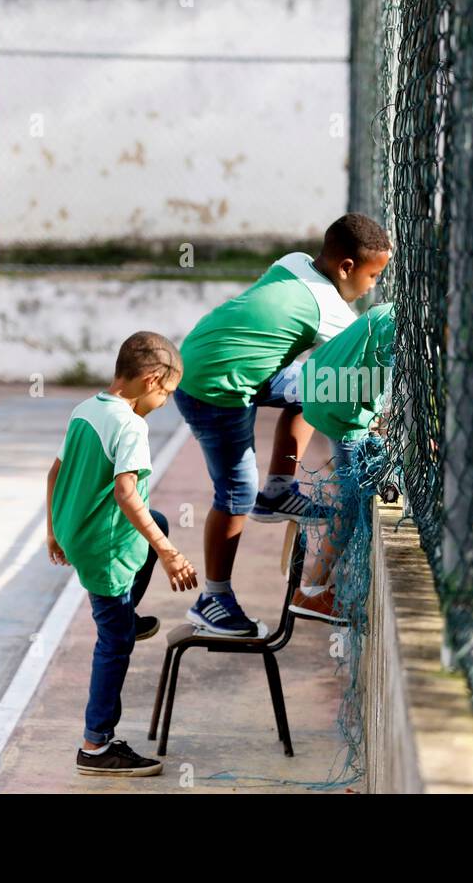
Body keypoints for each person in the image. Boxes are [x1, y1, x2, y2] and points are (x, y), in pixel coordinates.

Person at [173, 213, 392, 635]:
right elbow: (353, 370)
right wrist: (379, 415)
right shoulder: (331, 313)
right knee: (235, 493)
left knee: (311, 384)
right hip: (215, 388)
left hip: (206, 356)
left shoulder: (294, 261)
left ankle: (277, 492)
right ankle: (212, 599)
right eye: (372, 275)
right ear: (346, 267)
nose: (372, 287)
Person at [46, 331, 199, 776]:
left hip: (76, 534)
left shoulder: (86, 409)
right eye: (168, 393)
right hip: (104, 546)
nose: (166, 402)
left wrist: (53, 532)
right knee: (114, 643)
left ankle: (127, 615)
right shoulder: (131, 424)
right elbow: (127, 495)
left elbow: (52, 473)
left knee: (160, 521)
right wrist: (169, 554)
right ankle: (96, 746)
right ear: (151, 379)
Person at [290, 303, 396, 622]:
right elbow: (393, 391)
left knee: (353, 490)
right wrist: (386, 424)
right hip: (341, 406)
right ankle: (309, 593)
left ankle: (324, 586)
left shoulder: (395, 311)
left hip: (322, 387)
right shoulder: (403, 328)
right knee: (354, 500)